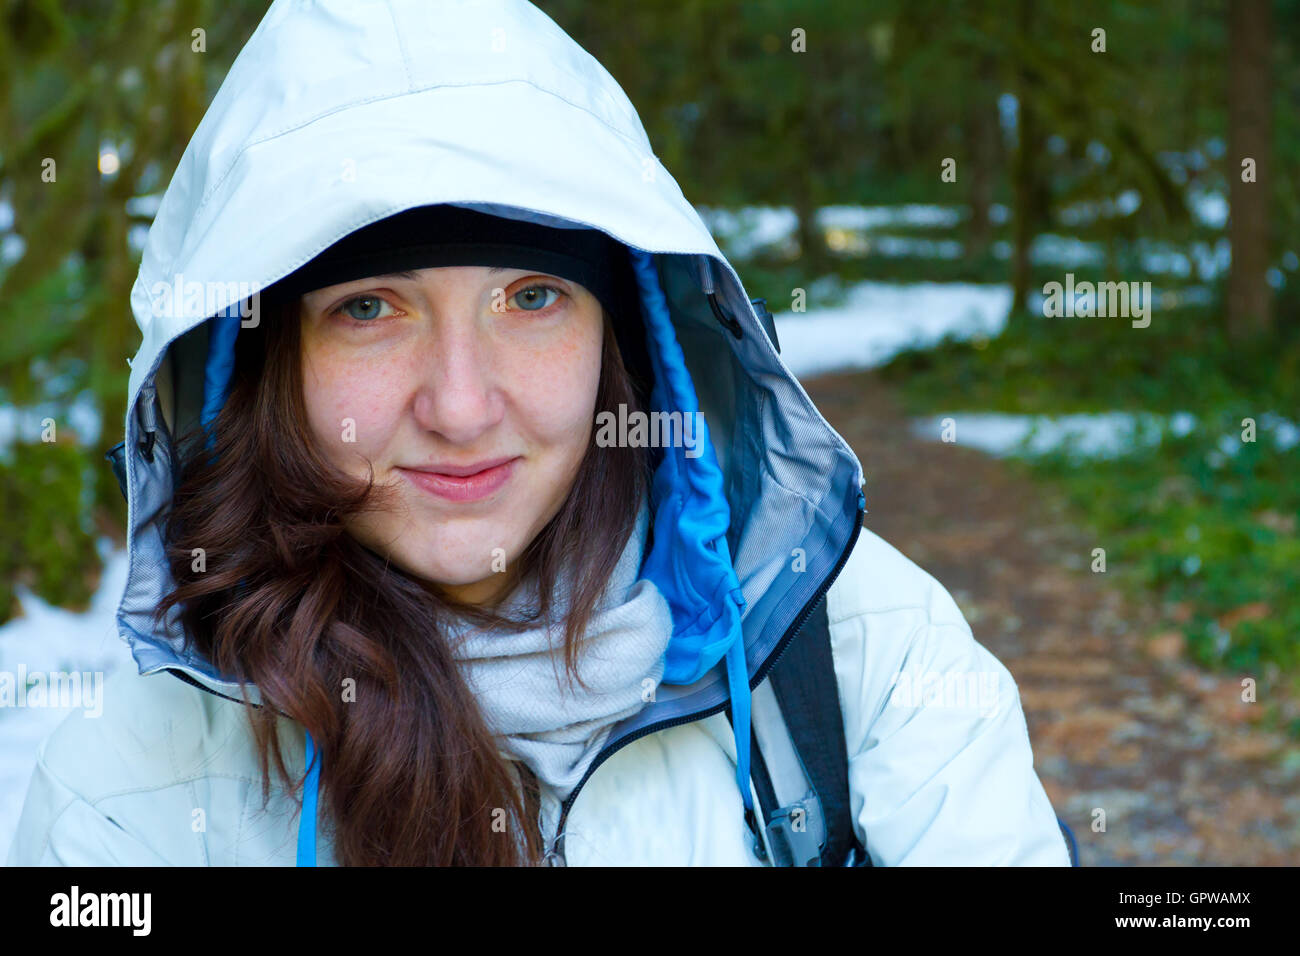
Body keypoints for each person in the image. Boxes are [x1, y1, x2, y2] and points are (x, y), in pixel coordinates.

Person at [6, 0, 1070, 867]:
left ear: (628, 335)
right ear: (262, 366)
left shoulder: (862, 656)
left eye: (531, 297)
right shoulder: (129, 794)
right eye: (369, 308)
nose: (461, 407)